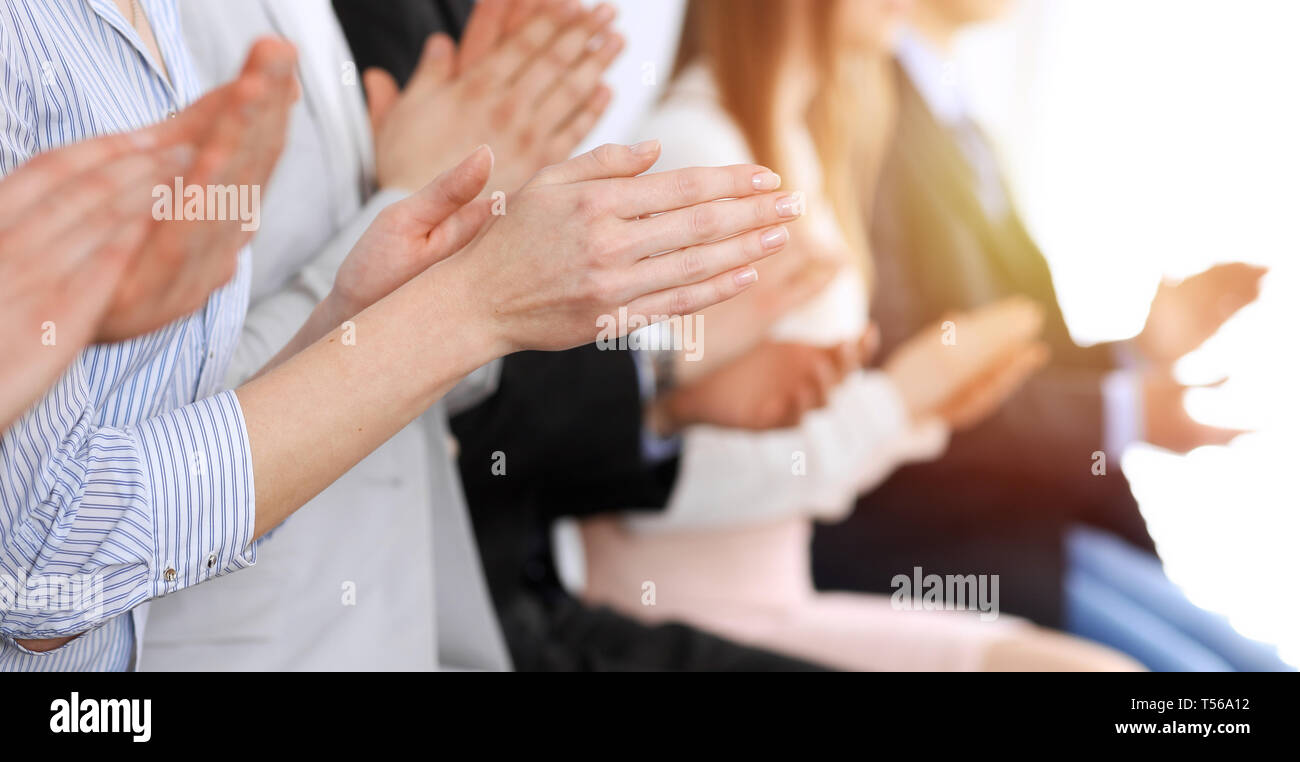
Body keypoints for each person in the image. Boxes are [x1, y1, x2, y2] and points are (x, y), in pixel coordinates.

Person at [0, 0, 798, 671]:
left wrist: (358, 303)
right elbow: (44, 568)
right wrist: (469, 304)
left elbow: (167, 395)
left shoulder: (156, 18)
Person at [568, 0, 1146, 671]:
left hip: (779, 596)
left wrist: (917, 414)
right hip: (675, 616)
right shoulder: (698, 151)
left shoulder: (800, 144)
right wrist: (898, 403)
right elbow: (634, 480)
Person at [142, 0, 618, 671]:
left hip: (398, 628)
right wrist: (409, 204)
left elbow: (399, 398)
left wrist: (457, 238)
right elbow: (128, 457)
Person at [810, 0, 1286, 671]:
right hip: (939, 545)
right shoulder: (862, 107)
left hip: (1038, 527)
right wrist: (1126, 412)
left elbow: (1008, 350)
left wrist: (1138, 352)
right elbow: (912, 377)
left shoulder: (956, 115)